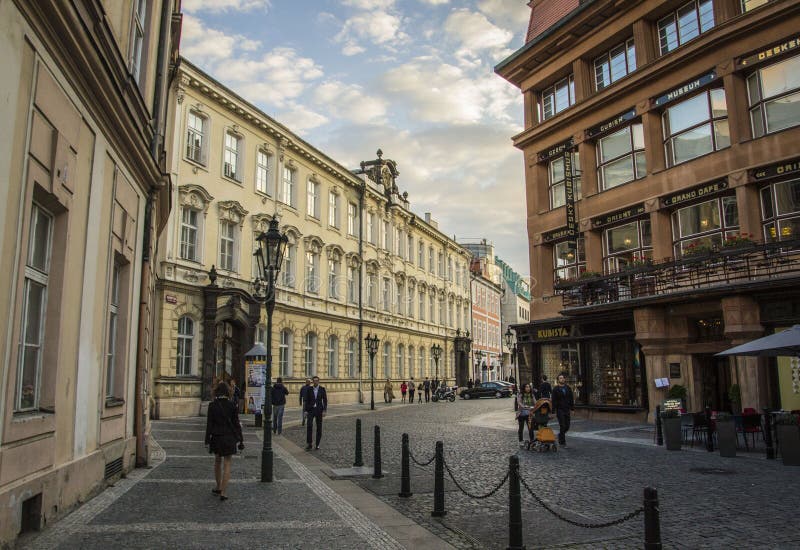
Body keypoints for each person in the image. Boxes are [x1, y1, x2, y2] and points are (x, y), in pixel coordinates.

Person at [204, 382, 244, 501]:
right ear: (228, 392)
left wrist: (207, 440)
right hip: (229, 438)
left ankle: (218, 486)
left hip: (216, 437)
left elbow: (209, 425)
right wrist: (241, 439)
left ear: (216, 392)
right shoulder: (232, 405)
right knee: (227, 463)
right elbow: (236, 424)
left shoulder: (212, 405)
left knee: (217, 461)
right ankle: (224, 492)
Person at [551, 373, 575, 446]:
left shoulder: (568, 388)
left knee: (567, 426)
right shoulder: (555, 389)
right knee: (562, 425)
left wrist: (572, 409)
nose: (562, 379)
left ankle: (560, 435)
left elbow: (571, 398)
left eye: (563, 378)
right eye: (560, 378)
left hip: (567, 409)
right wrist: (553, 411)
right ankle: (562, 442)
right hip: (559, 409)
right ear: (558, 380)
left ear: (564, 379)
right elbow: (554, 400)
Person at [304, 376, 327, 450]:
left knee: (319, 427)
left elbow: (325, 400)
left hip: (319, 410)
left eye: (317, 381)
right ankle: (309, 443)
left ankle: (317, 444)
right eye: (314, 381)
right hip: (311, 410)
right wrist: (305, 411)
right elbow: (306, 400)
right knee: (309, 426)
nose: (315, 382)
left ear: (318, 381)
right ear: (312, 382)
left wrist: (324, 410)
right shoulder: (309, 389)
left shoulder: (322, 389)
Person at [516, 383, 536, 447]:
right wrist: (524, 406)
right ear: (524, 388)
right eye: (526, 387)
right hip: (521, 414)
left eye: (529, 387)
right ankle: (521, 440)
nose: (528, 388)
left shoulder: (531, 395)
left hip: (529, 414)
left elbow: (535, 402)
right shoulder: (520, 394)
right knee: (521, 428)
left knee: (530, 428)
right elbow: (519, 402)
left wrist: (535, 406)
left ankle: (532, 440)